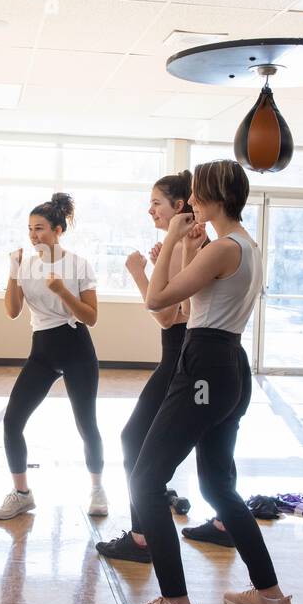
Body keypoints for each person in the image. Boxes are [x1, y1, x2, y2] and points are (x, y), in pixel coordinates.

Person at [118, 160, 292, 604]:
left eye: (196, 195)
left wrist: (173, 241)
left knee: (146, 480)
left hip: (205, 366)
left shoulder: (221, 250)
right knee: (217, 486)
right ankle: (271, 597)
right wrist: (192, 248)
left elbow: (160, 304)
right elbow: (198, 304)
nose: (190, 202)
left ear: (215, 198)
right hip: (230, 363)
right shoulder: (244, 246)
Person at [96, 171, 202, 563]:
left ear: (179, 206)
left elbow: (164, 315)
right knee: (163, 446)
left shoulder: (179, 246)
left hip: (177, 359)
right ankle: (162, 503)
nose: (150, 209)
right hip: (178, 355)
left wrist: (138, 272)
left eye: (157, 202)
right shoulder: (179, 245)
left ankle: (142, 537)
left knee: (132, 440)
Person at [0, 192, 105, 521]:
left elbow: (91, 317)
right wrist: (12, 271)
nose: (33, 235)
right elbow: (13, 311)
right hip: (41, 351)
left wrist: (62, 291)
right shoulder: (26, 265)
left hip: (76, 349)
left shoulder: (78, 264)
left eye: (40, 228)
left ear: (58, 230)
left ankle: (98, 489)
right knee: (13, 422)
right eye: (29, 228)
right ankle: (22, 494)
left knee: (86, 424)